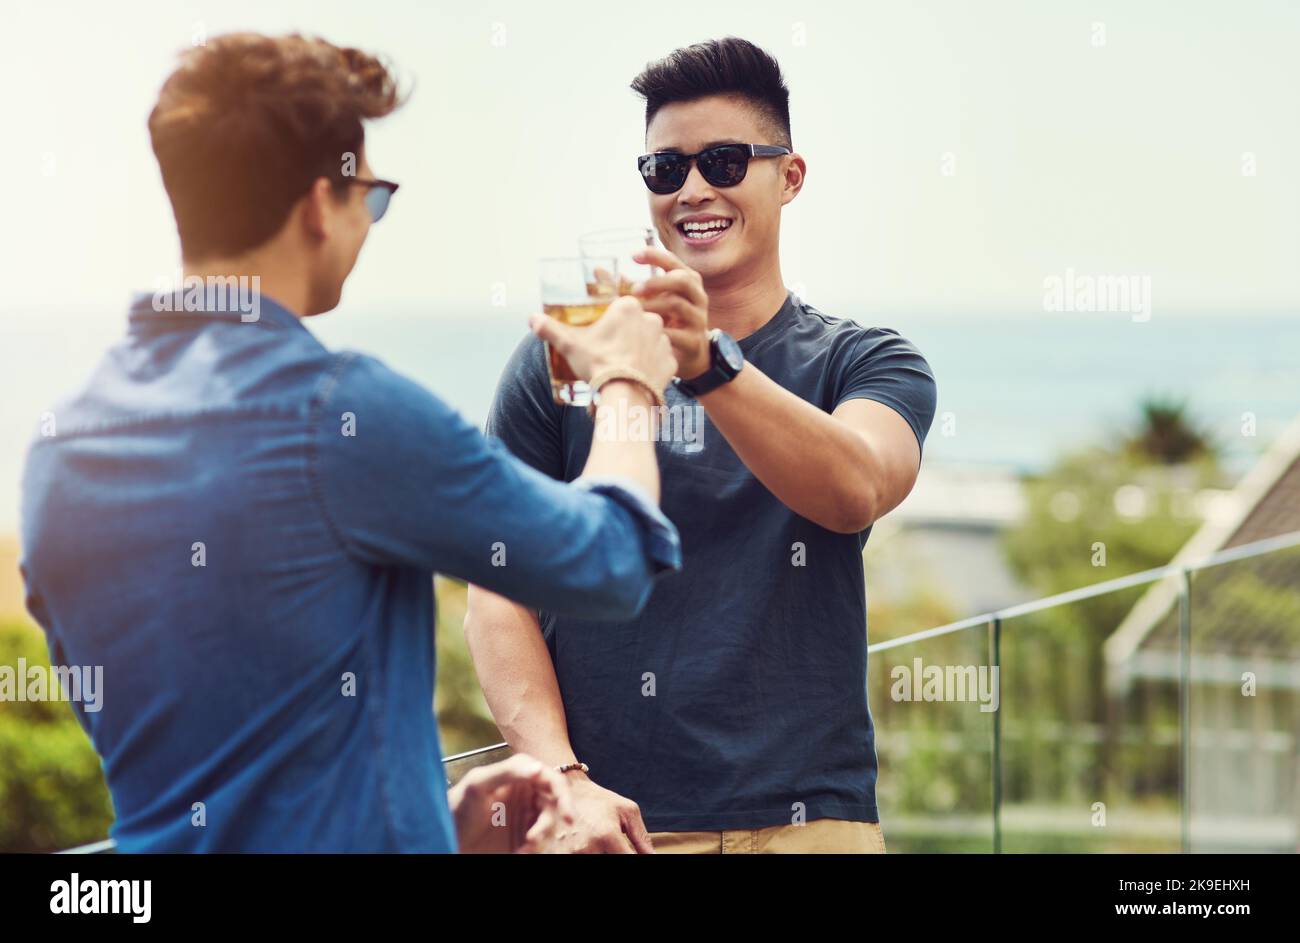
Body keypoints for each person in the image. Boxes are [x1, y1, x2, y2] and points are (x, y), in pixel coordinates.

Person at [19, 32, 680, 853]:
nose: (369, 224)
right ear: (316, 205)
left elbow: (205, 751)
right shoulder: (340, 413)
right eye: (372, 196)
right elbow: (612, 561)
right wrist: (629, 382)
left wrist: (427, 821)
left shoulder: (61, 450)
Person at [466, 37, 938, 854]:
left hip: (811, 822)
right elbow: (497, 586)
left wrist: (709, 364)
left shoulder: (862, 359)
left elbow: (856, 485)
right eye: (665, 169)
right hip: (615, 825)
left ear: (789, 176)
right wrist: (564, 780)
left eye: (723, 161)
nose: (692, 190)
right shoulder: (569, 359)